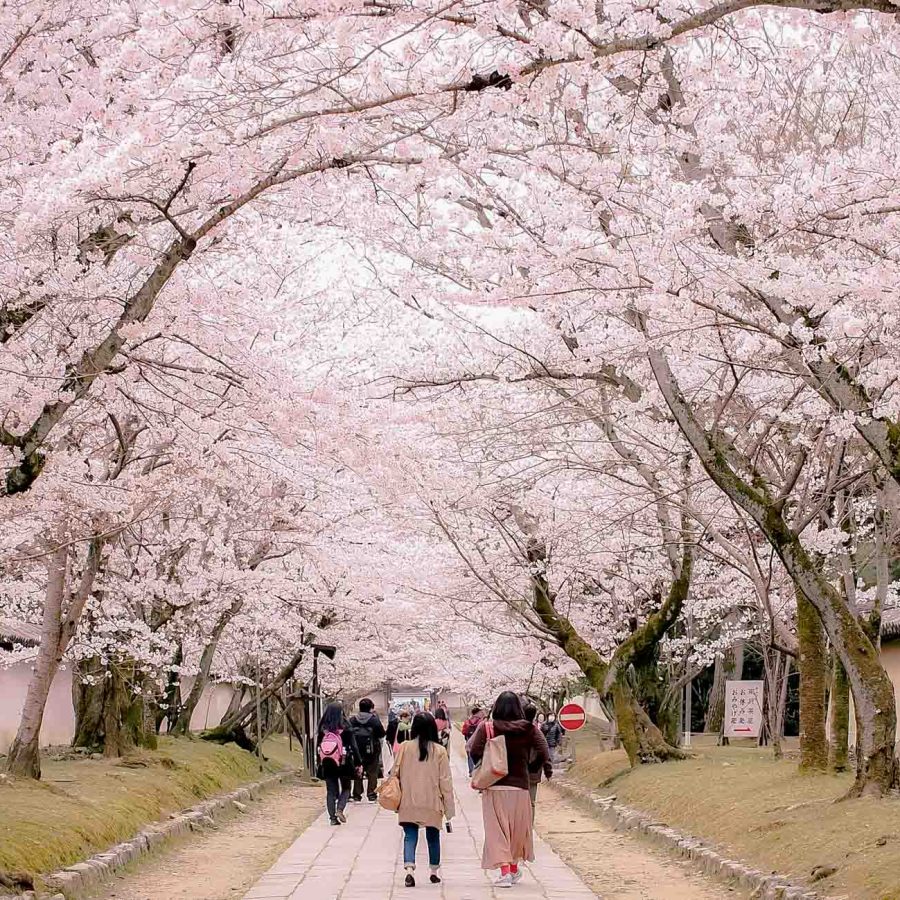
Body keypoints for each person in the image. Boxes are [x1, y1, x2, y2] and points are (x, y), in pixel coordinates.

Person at [467, 691, 551, 888]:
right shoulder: (529, 729)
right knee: (516, 830)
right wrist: (532, 767)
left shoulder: (487, 727)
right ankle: (513, 869)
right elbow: (544, 751)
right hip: (520, 786)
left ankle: (505, 871)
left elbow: (473, 750)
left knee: (497, 831)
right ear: (519, 708)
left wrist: (486, 763)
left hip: (495, 786)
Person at [395, 712, 455, 888]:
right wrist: (449, 808)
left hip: (409, 799)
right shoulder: (440, 751)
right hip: (432, 800)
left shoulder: (405, 747)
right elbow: (445, 781)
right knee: (433, 836)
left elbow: (395, 773)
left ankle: (409, 870)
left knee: (410, 835)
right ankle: (434, 871)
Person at [316, 701, 362, 826]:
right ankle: (340, 809)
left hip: (328, 762)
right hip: (344, 762)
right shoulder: (346, 726)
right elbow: (354, 746)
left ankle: (332, 818)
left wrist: (318, 760)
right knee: (346, 788)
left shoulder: (323, 727)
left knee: (331, 791)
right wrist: (359, 763)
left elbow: (318, 746)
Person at [350, 697, 386, 802]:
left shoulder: (353, 720)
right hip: (372, 750)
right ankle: (371, 793)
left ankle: (356, 794)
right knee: (372, 772)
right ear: (371, 708)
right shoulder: (374, 720)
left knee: (358, 770)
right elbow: (382, 734)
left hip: (357, 751)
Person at [523, 704, 552, 822]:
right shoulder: (536, 732)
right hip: (533, 774)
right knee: (531, 802)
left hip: (516, 773)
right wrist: (547, 770)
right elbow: (545, 752)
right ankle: (529, 826)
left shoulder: (515, 731)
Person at [461, 705, 485, 775]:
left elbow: (463, 731)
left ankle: (471, 771)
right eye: (480, 712)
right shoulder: (481, 721)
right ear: (477, 713)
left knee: (469, 755)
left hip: (469, 739)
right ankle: (478, 770)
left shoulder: (468, 721)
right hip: (478, 739)